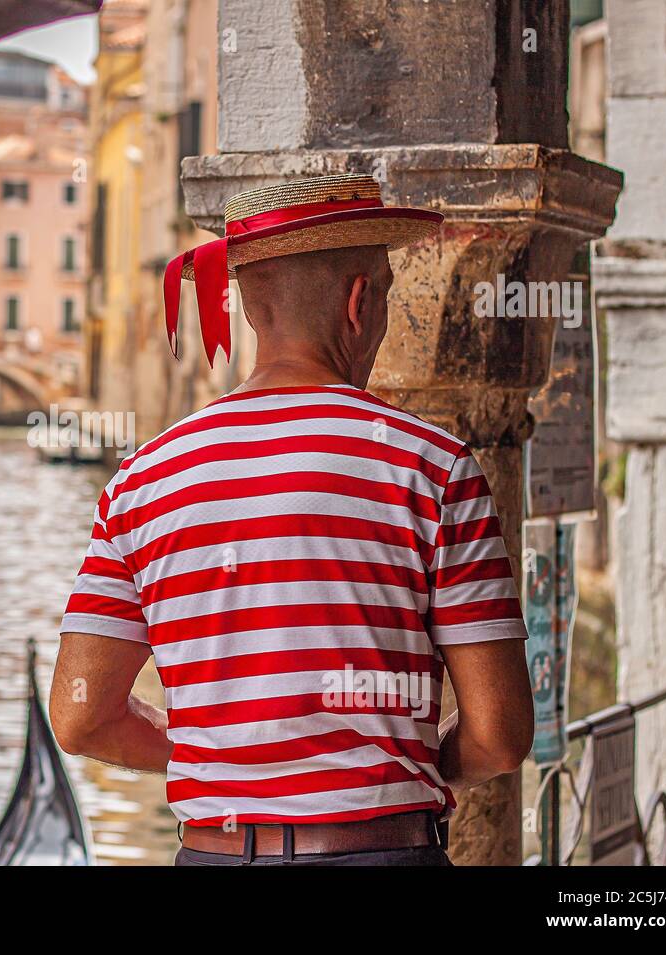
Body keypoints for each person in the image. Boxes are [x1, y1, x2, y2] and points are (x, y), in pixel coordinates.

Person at [50, 174, 533, 866]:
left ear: (250, 310)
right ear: (361, 301)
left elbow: (80, 715)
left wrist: (224, 756)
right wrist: (393, 766)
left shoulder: (141, 481)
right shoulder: (435, 469)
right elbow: (501, 735)